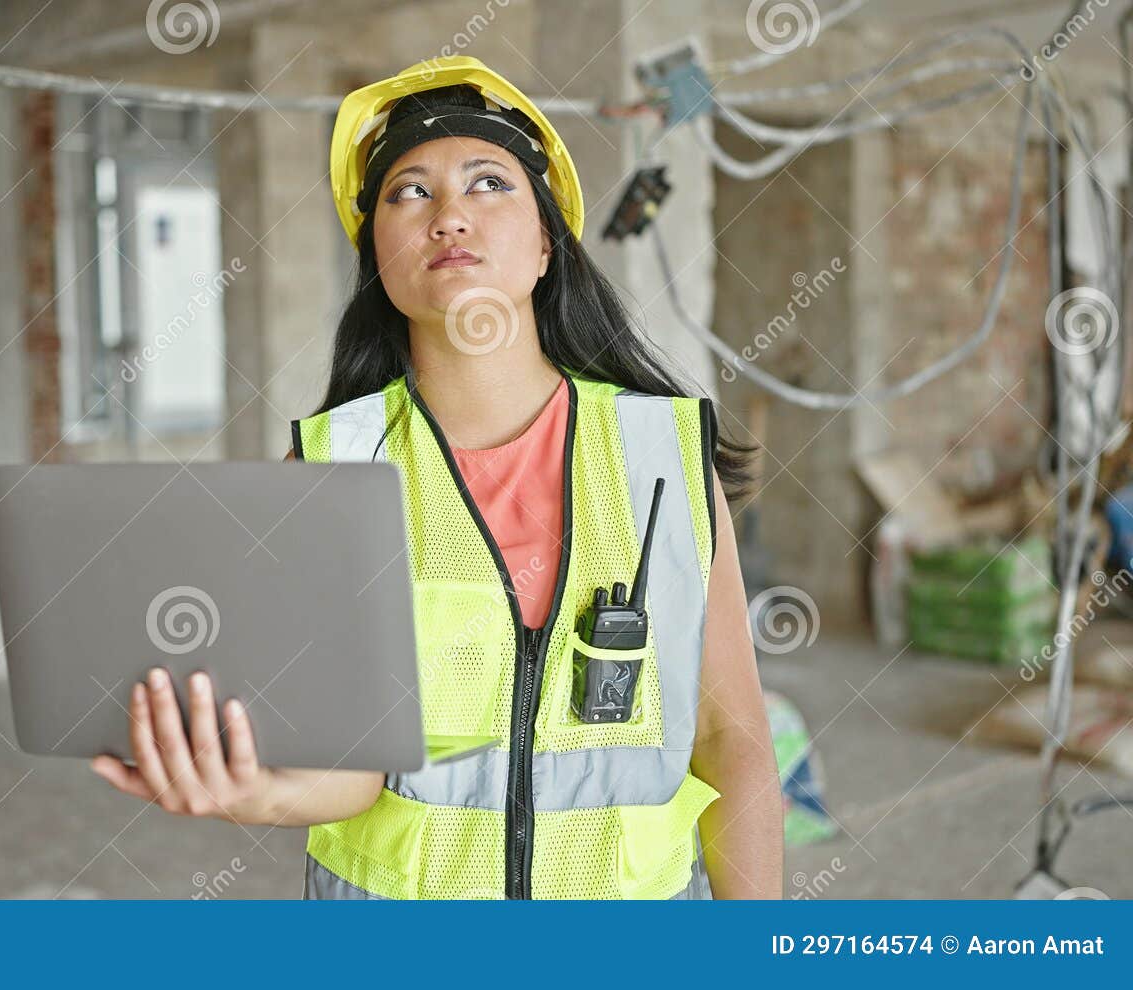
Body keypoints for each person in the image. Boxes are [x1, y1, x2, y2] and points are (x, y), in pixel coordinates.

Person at [91, 56, 783, 900]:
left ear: (542, 246)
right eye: (408, 193)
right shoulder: (334, 466)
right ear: (378, 256)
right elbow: (349, 771)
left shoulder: (663, 455)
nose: (450, 213)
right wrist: (257, 791)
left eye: (489, 183)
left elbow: (731, 739)